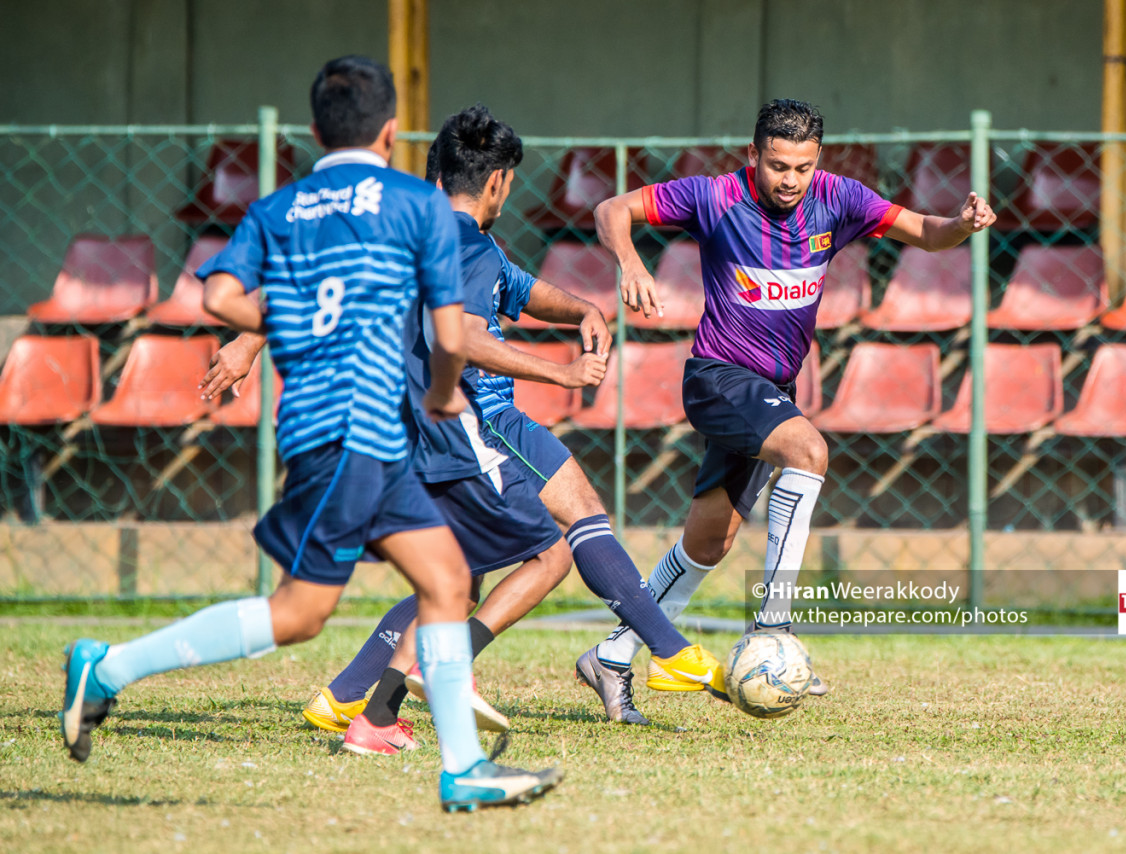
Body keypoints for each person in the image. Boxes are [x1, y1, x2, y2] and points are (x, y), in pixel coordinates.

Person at [59, 56, 561, 812]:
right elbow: (449, 329)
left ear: (314, 133)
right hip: (357, 433)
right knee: (298, 614)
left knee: (447, 582)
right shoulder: (414, 204)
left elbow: (219, 295)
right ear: (391, 132)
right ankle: (105, 668)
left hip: (340, 432)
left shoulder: (281, 208)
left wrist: (282, 322)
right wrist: (437, 392)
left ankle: (462, 770)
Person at [202, 106, 725, 732]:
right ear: (500, 182)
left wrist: (584, 307)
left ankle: (351, 699)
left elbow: (515, 288)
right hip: (478, 414)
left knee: (457, 573)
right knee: (570, 527)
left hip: (402, 425)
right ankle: (669, 650)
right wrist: (561, 373)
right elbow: (469, 338)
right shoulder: (468, 245)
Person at [587, 99, 997, 693]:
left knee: (708, 542)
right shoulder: (714, 196)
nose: (790, 180)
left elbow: (927, 234)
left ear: (817, 161)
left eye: (802, 167)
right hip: (718, 378)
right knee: (808, 450)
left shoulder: (840, 198)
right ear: (753, 155)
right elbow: (612, 208)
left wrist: (961, 223)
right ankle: (772, 630)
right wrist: (628, 262)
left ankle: (613, 655)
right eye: (778, 165)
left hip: (771, 390)